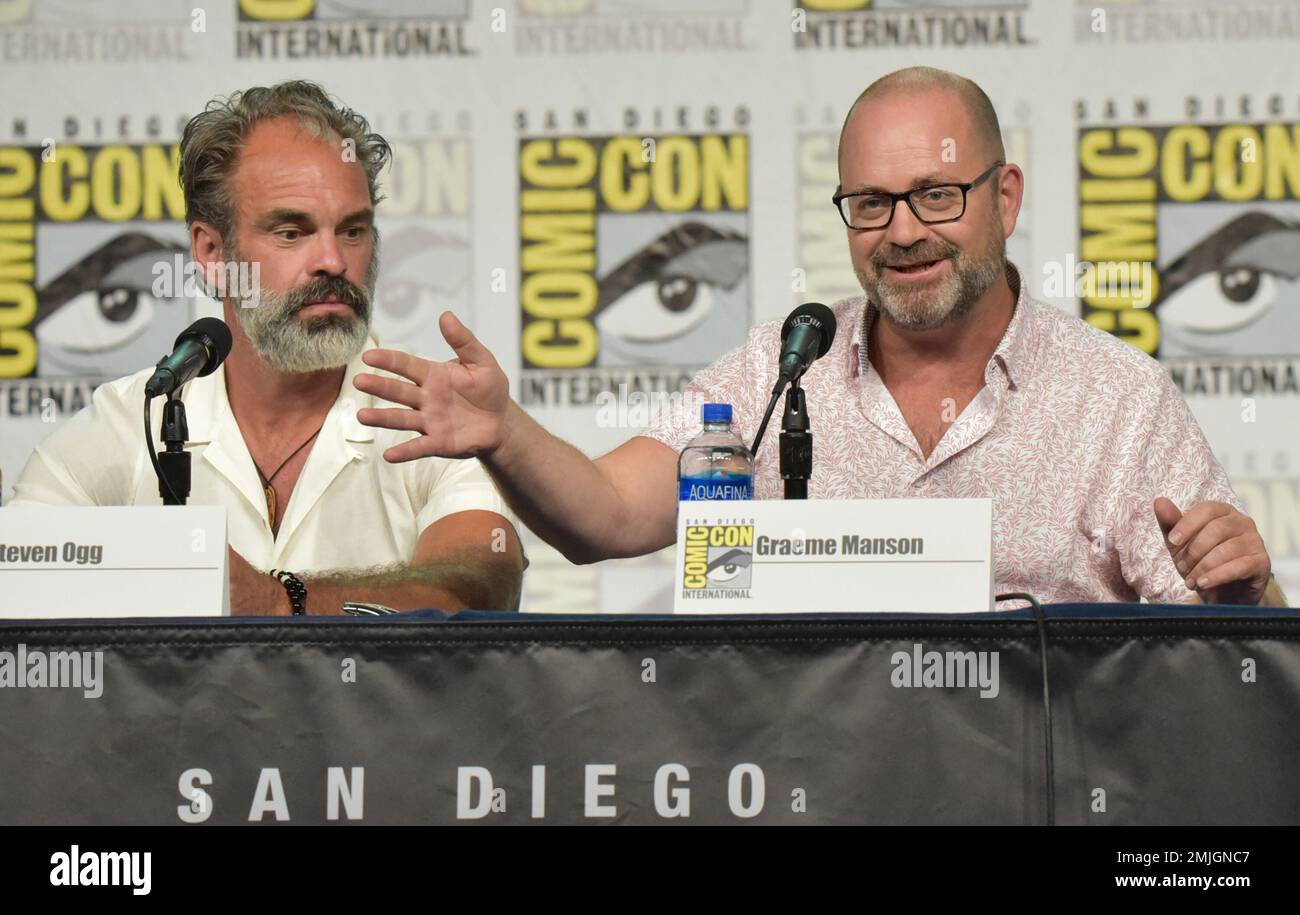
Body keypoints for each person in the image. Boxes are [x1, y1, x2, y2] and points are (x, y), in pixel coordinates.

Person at [352, 66, 1282, 608]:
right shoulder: (778, 366)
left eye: (938, 195)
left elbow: (1223, 647)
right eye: (871, 203)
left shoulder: (1117, 400)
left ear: (1006, 198)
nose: (905, 231)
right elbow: (607, 514)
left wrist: (1251, 594)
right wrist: (507, 428)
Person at [12, 81, 524, 615]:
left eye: (352, 231)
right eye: (290, 232)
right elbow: (20, 588)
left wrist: (280, 603)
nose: (332, 260)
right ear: (212, 252)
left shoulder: (438, 414)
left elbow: (480, 589)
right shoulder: (128, 421)